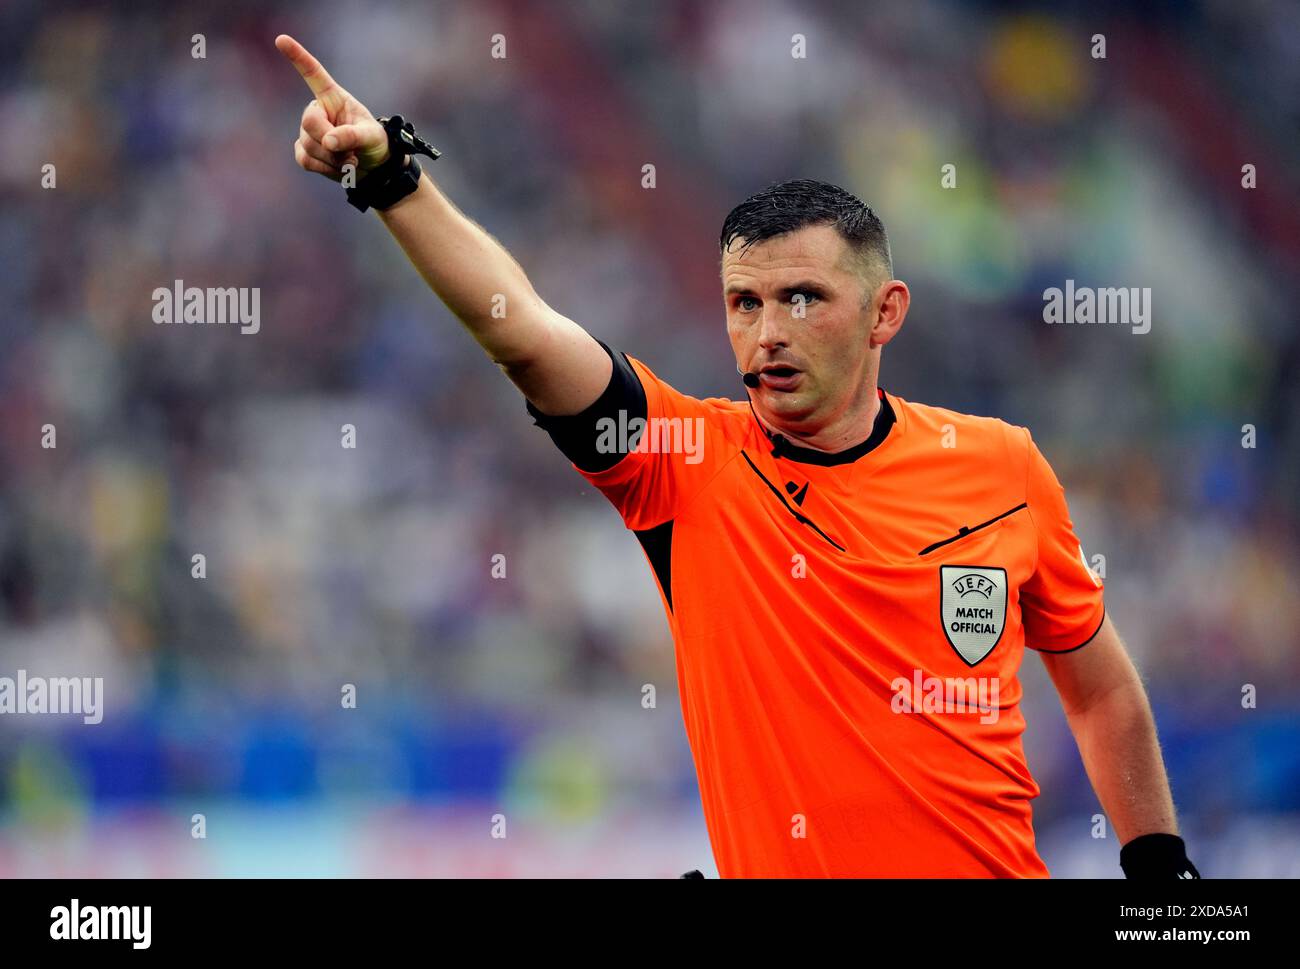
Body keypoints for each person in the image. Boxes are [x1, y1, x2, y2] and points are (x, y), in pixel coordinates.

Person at [275, 34, 1198, 879]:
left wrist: (1159, 867)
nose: (768, 332)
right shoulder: (685, 462)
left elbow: (1100, 684)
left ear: (886, 313)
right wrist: (394, 178)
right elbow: (521, 332)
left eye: (802, 297)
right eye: (743, 303)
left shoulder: (1002, 466)